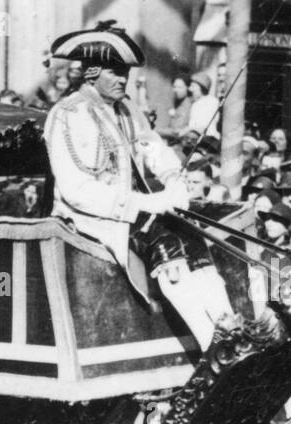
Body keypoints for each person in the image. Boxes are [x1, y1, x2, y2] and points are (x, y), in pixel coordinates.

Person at [43, 22, 233, 351]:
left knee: (192, 235)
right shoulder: (66, 115)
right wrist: (144, 204)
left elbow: (154, 149)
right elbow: (77, 191)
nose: (122, 80)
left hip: (136, 210)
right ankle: (210, 344)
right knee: (163, 241)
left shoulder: (128, 108)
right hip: (91, 218)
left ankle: (229, 327)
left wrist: (175, 181)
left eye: (125, 74)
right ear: (91, 74)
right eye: (114, 73)